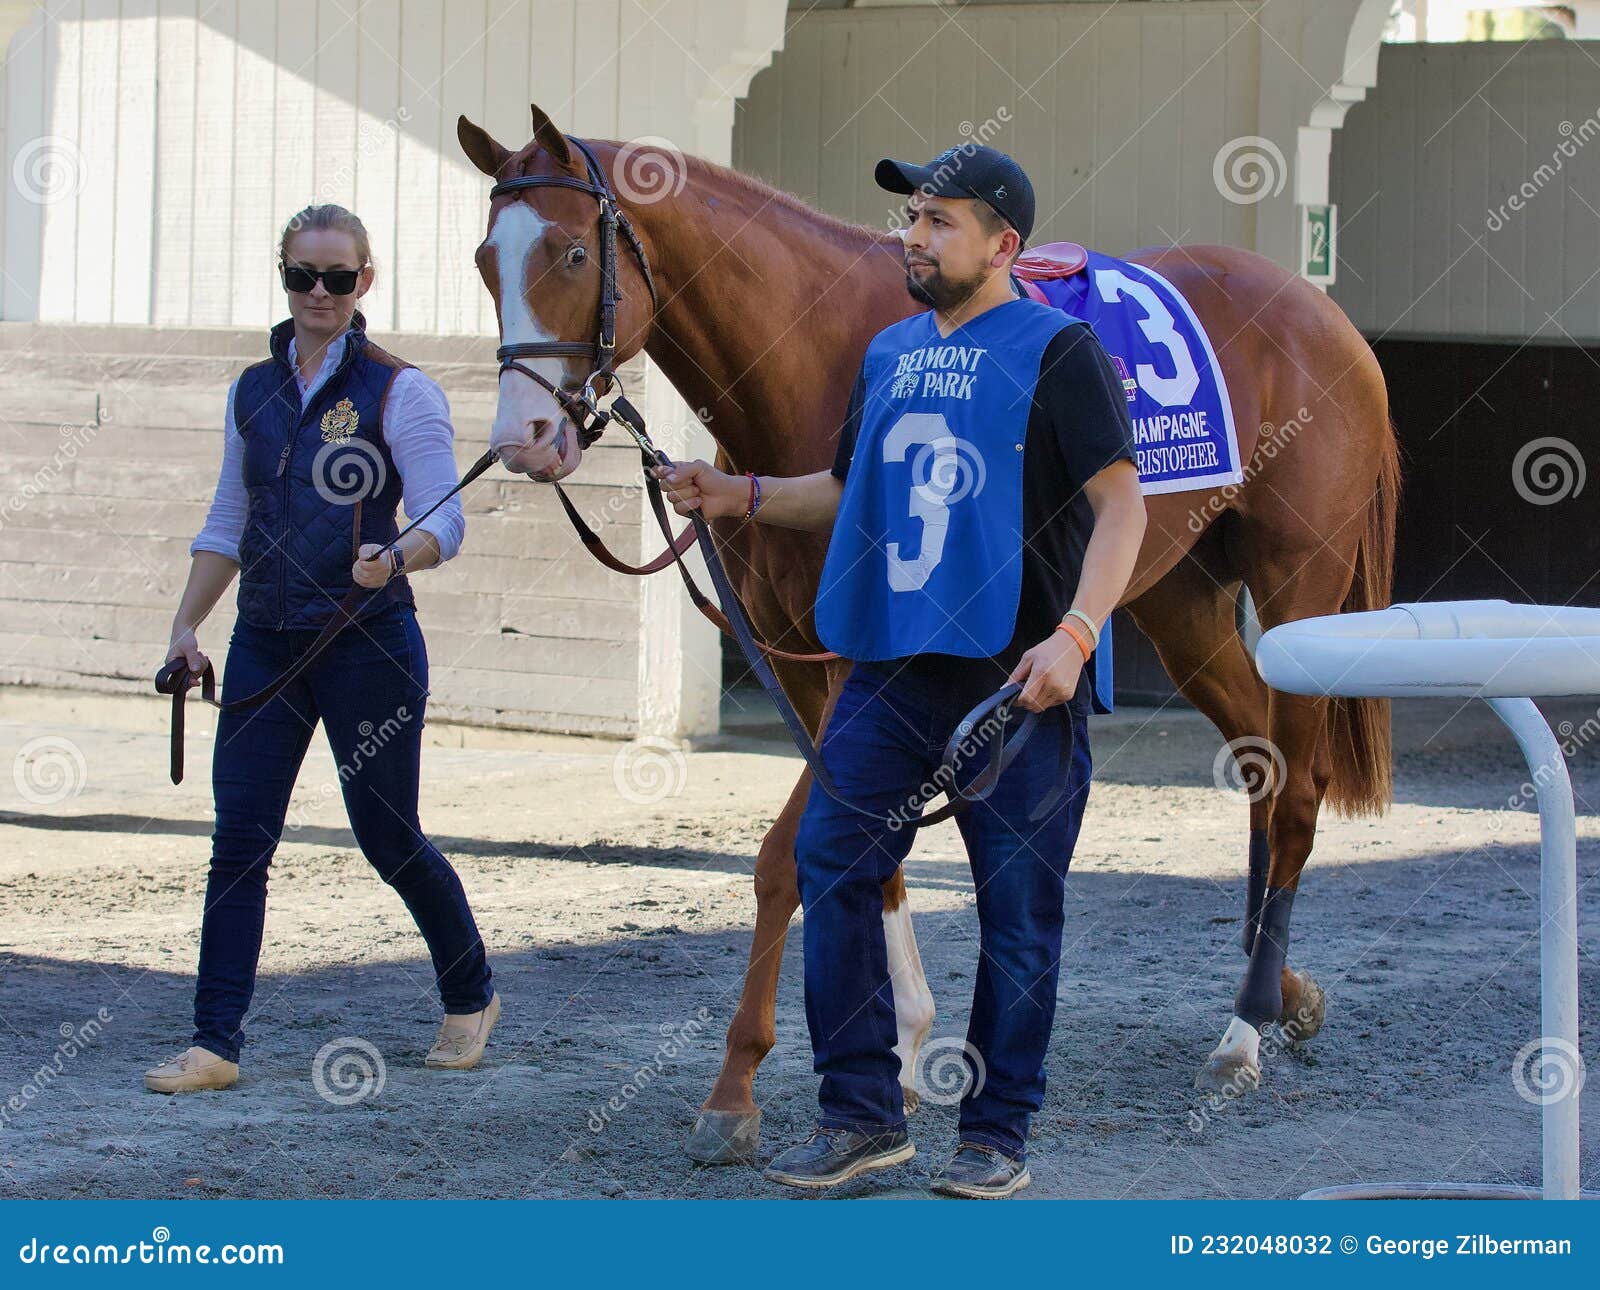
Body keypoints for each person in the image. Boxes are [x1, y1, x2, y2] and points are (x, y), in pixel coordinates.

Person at [655, 145, 1145, 1197]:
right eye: (911, 219)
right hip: (888, 664)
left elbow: (1121, 507)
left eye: (939, 222)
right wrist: (728, 492)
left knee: (1013, 909)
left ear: (1001, 244)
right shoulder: (887, 352)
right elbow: (843, 492)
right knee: (833, 859)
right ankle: (862, 1116)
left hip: (1017, 676)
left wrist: (1076, 635)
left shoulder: (1061, 352)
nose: (913, 238)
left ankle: (997, 1132)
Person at [146, 204, 500, 1093]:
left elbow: (442, 514)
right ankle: (215, 1044)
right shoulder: (251, 390)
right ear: (284, 276)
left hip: (366, 643)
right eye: (302, 275)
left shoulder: (400, 390)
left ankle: (472, 990)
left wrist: (399, 553)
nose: (318, 293)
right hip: (264, 638)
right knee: (241, 842)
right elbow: (229, 519)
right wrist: (187, 625)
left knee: (387, 837)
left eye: (337, 279)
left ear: (364, 284)